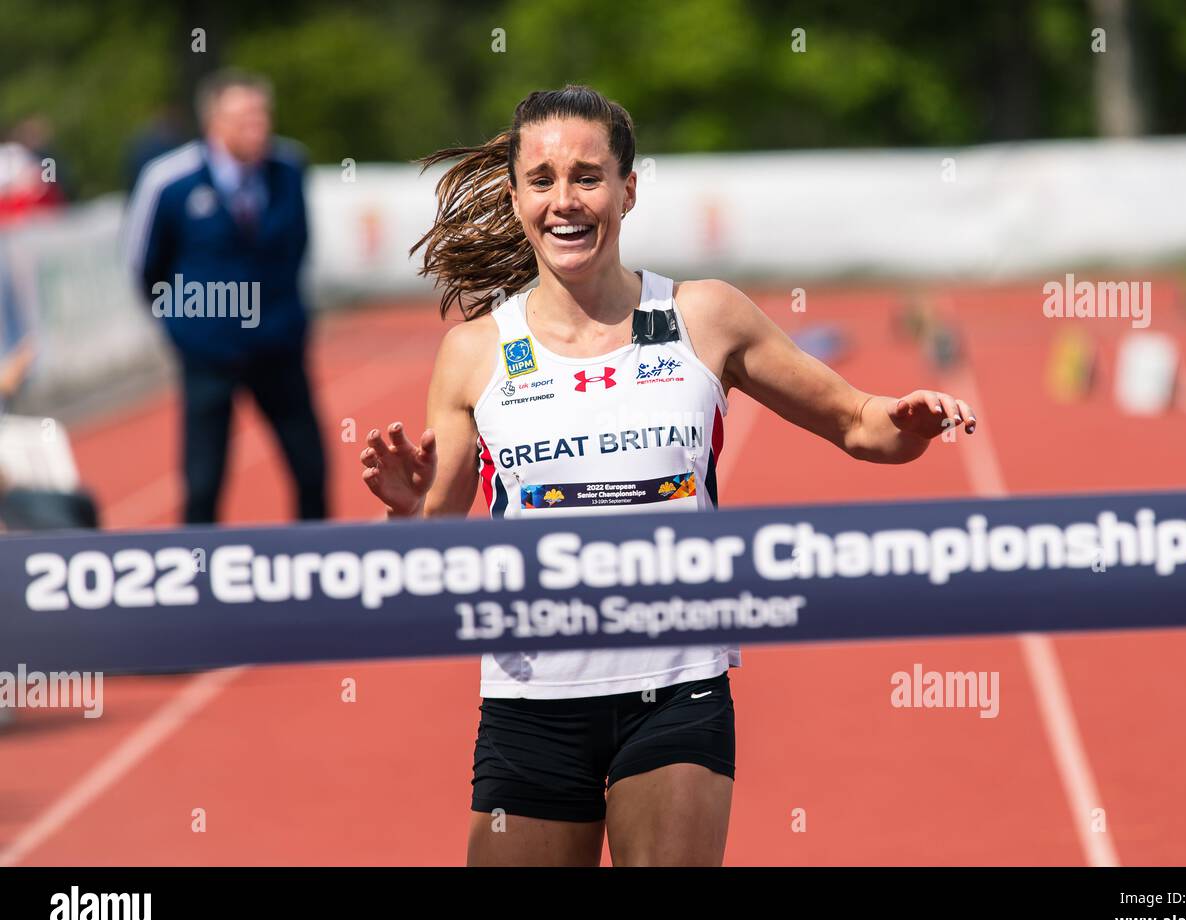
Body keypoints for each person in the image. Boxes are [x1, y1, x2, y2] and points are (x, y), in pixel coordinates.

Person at [359, 85, 977, 867]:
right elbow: (431, 551)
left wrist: (909, 417)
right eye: (543, 180)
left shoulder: (702, 315)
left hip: (675, 688)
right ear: (514, 195)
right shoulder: (476, 351)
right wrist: (409, 512)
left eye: (588, 176)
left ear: (629, 188)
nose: (566, 201)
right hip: (530, 701)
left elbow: (860, 424)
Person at [123, 69, 327, 524]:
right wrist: (184, 328)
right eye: (244, 117)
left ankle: (317, 562)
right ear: (214, 121)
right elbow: (142, 265)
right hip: (208, 352)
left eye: (262, 114)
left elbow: (299, 246)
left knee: (311, 468)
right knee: (203, 480)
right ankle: (198, 573)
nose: (258, 126)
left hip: (279, 346)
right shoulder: (169, 180)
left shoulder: (289, 168)